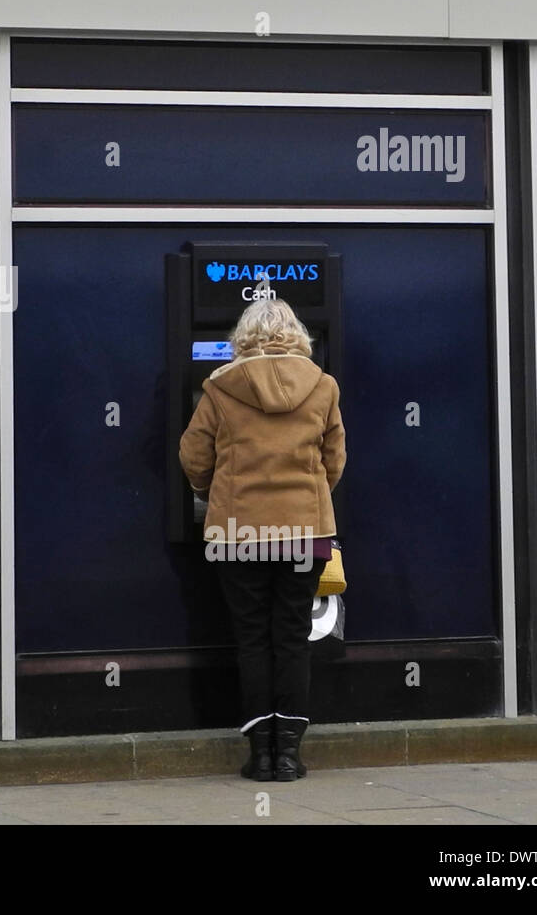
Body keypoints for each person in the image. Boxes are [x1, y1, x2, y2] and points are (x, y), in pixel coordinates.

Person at [179, 290, 345, 782]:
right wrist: (308, 497)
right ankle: (290, 757)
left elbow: (193, 456)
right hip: (303, 533)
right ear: (296, 334)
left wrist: (214, 489)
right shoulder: (323, 385)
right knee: (292, 638)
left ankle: (262, 755)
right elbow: (333, 460)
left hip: (239, 533)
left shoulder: (219, 387)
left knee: (252, 639)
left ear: (242, 337)